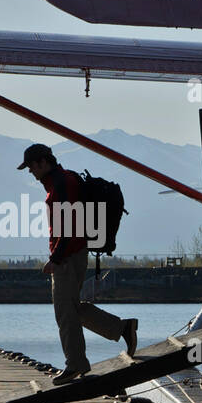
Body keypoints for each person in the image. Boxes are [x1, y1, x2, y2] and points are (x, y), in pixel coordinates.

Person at [18, 144, 137, 384]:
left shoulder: (62, 184)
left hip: (69, 255)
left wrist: (55, 259)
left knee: (63, 312)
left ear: (42, 162)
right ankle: (121, 328)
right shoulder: (65, 179)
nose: (30, 172)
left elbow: (69, 226)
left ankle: (75, 365)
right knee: (71, 308)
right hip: (74, 252)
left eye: (31, 166)